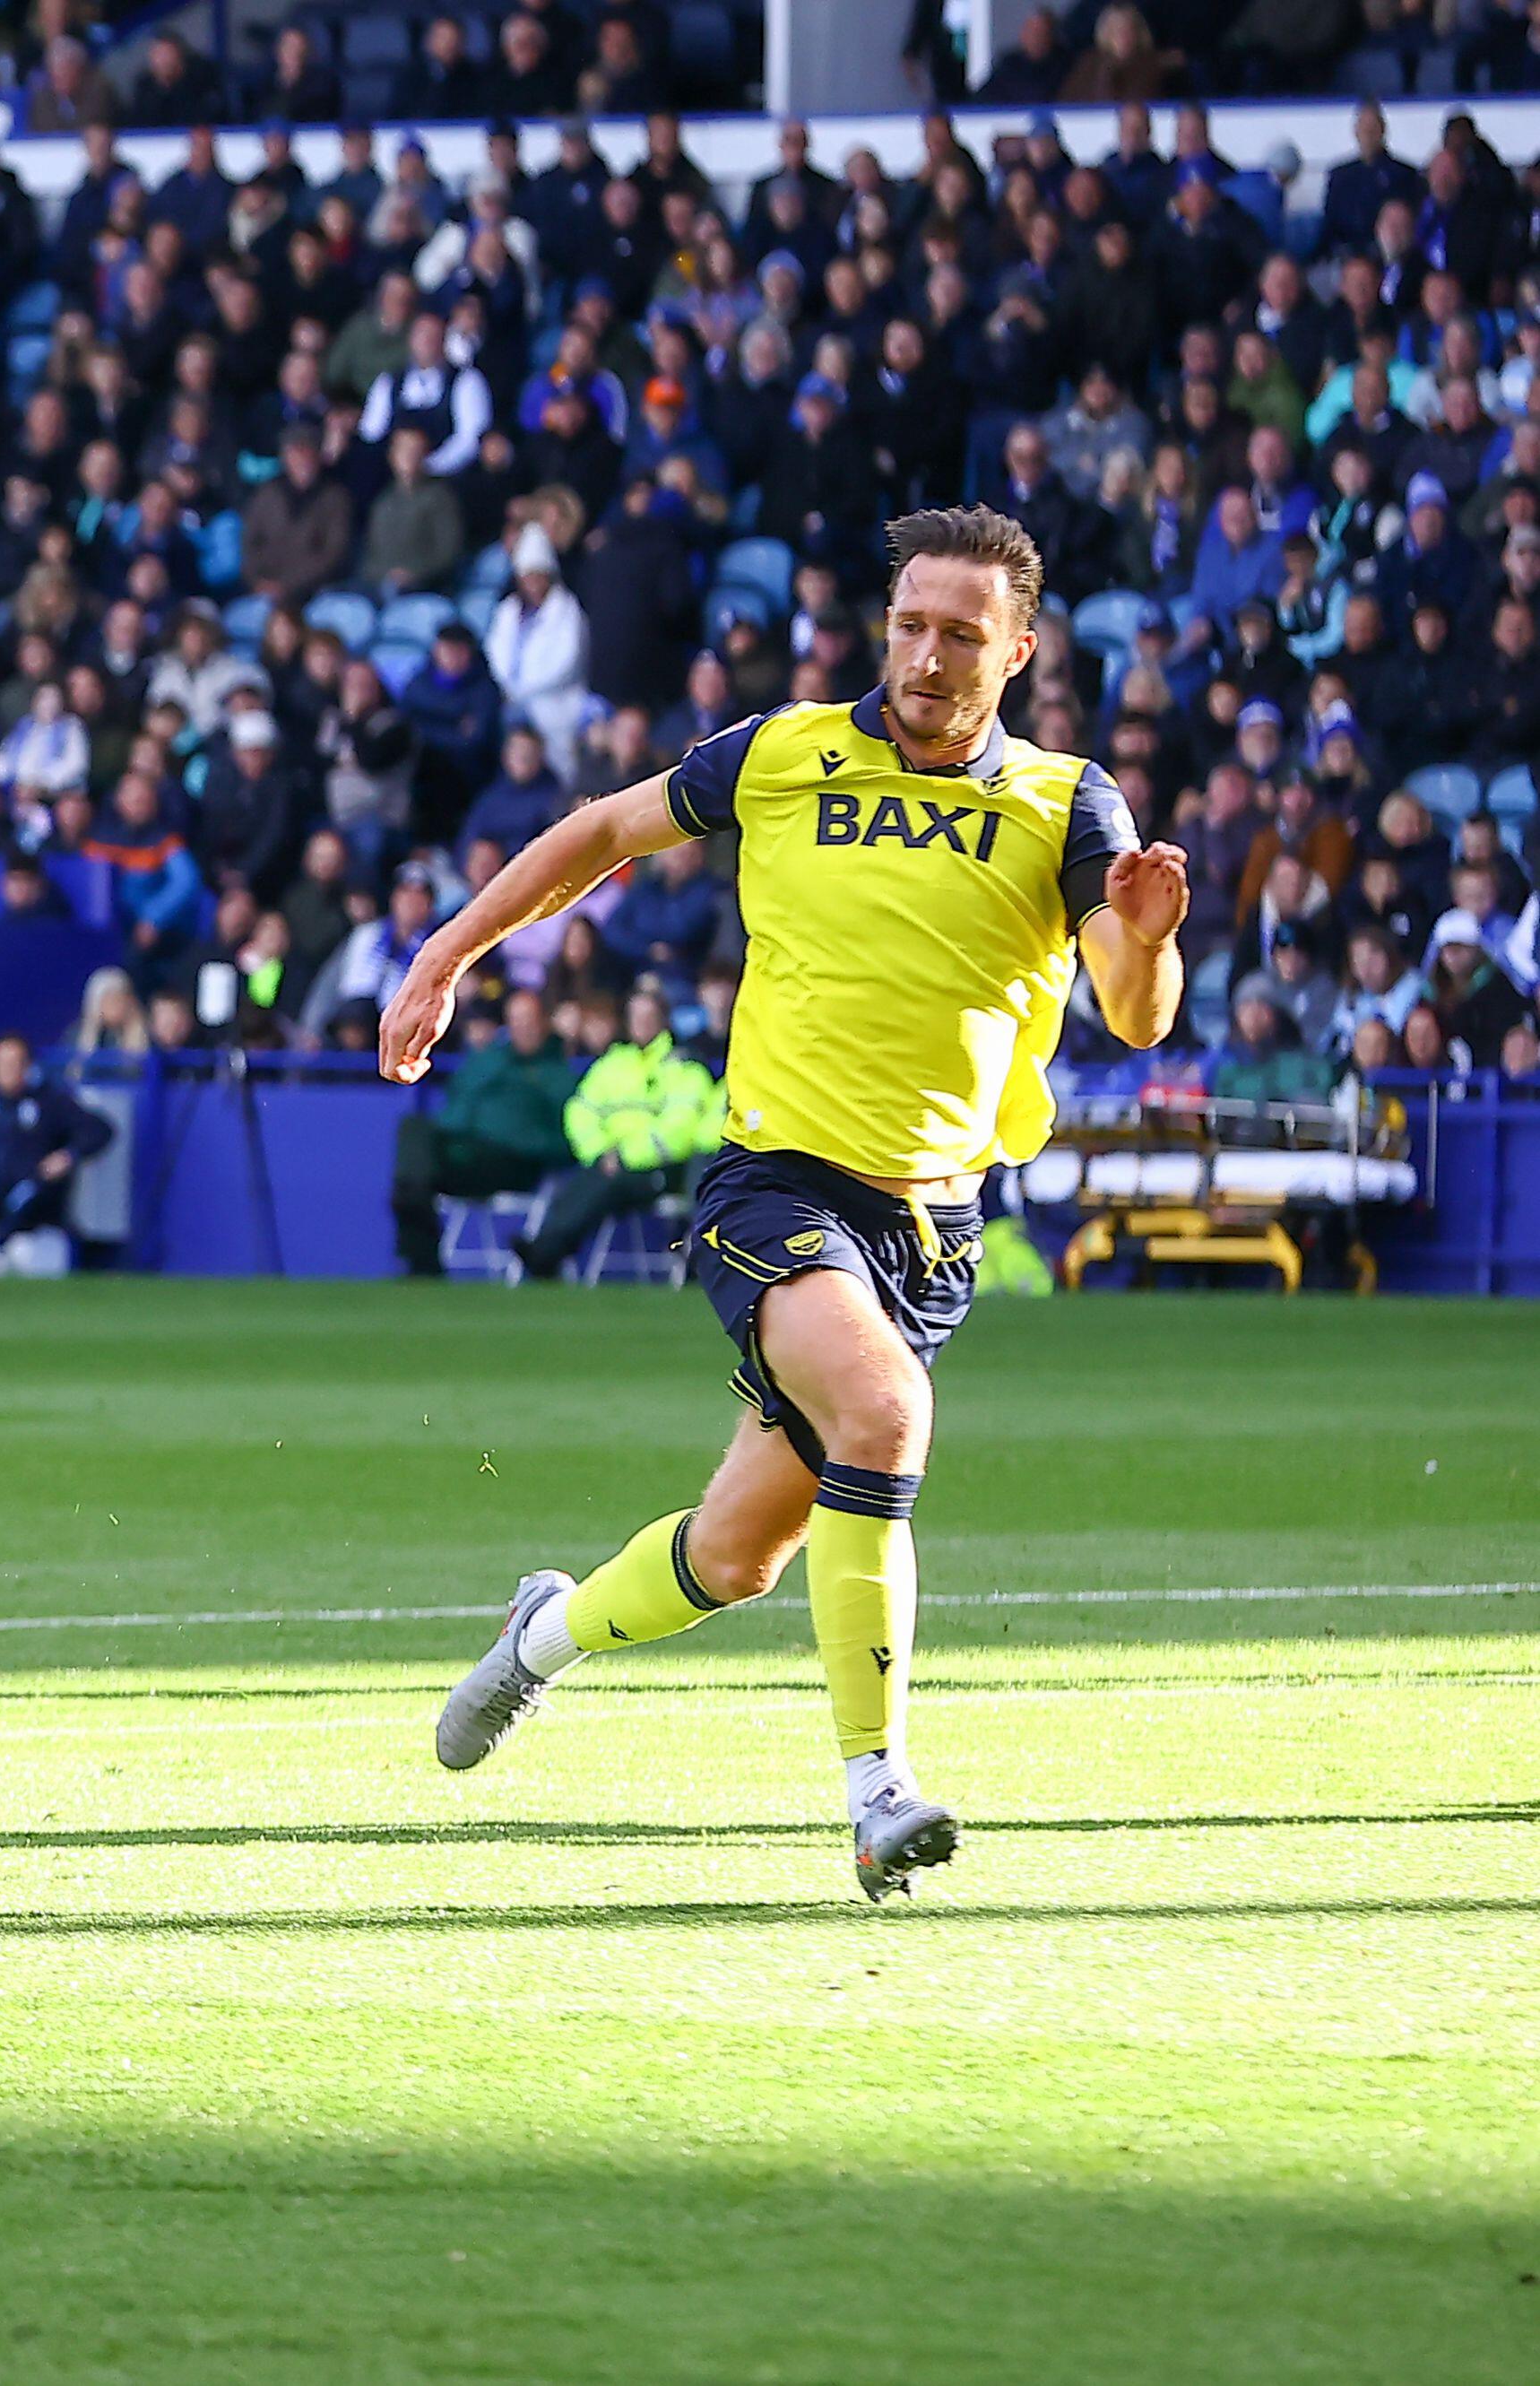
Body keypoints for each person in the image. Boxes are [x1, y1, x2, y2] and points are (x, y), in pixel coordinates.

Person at [386, 508, 1187, 1899]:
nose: (925, 657)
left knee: (735, 1554)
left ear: (1017, 650)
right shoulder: (780, 751)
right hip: (774, 1184)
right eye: (908, 624)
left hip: (929, 1231)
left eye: (960, 635)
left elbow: (1131, 1009)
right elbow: (603, 831)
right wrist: (448, 951)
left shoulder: (1066, 804)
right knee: (881, 1413)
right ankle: (875, 1793)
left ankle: (539, 1636)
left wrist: (1152, 937)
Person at [514, 985, 724, 1278]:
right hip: (609, 1163)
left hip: (662, 1168)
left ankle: (546, 1253)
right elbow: (580, 1111)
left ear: (664, 1020)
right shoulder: (612, 1063)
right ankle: (546, 1251)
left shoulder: (684, 1066)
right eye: (636, 1017)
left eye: (649, 1017)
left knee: (601, 1184)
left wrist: (624, 1155)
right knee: (583, 1183)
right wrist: (602, 1152)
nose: (641, 1024)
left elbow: (681, 1127)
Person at [390, 985, 574, 1275]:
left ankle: (418, 1243)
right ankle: (412, 1199)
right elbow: (454, 1109)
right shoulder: (487, 1060)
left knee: (416, 1176)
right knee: (414, 1129)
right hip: (464, 1153)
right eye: (515, 1021)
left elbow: (566, 1142)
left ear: (543, 1023)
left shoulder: (559, 1075)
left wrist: (524, 1141)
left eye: (528, 1020)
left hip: (512, 1163)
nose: (522, 1028)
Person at [0, 1030, 113, 1273]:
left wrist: (67, 1156)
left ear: (28, 1066)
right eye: (2, 1064)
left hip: (39, 1226)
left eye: (15, 1063)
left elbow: (99, 1130)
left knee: (34, 1262)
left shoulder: (50, 1103)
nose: (8, 1070)